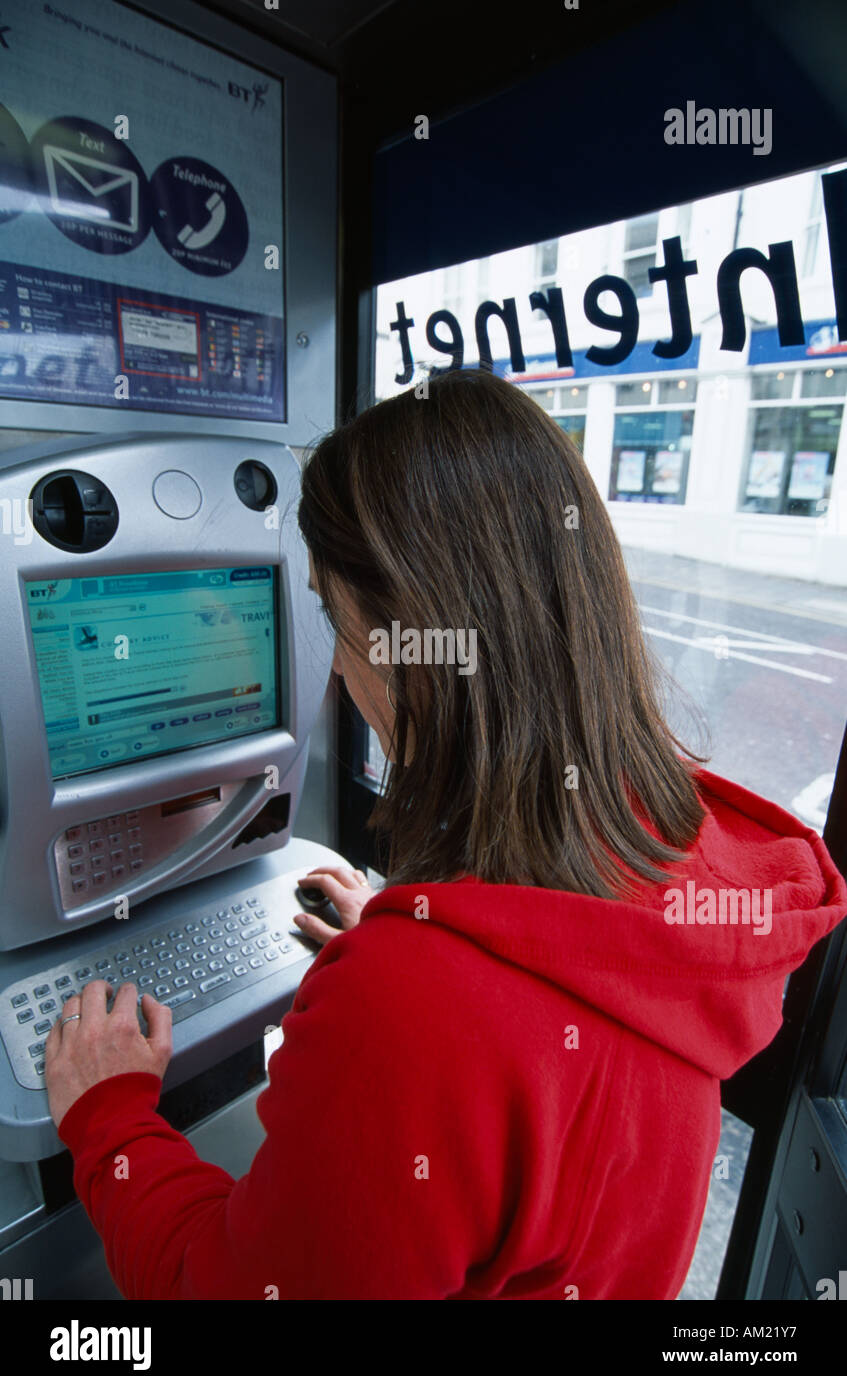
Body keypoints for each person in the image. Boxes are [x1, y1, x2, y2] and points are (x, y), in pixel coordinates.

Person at [46, 368, 847, 1299]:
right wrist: (426, 933)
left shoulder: (411, 1012)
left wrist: (107, 1117)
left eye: (332, 619)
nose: (339, 670)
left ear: (414, 655)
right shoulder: (675, 852)